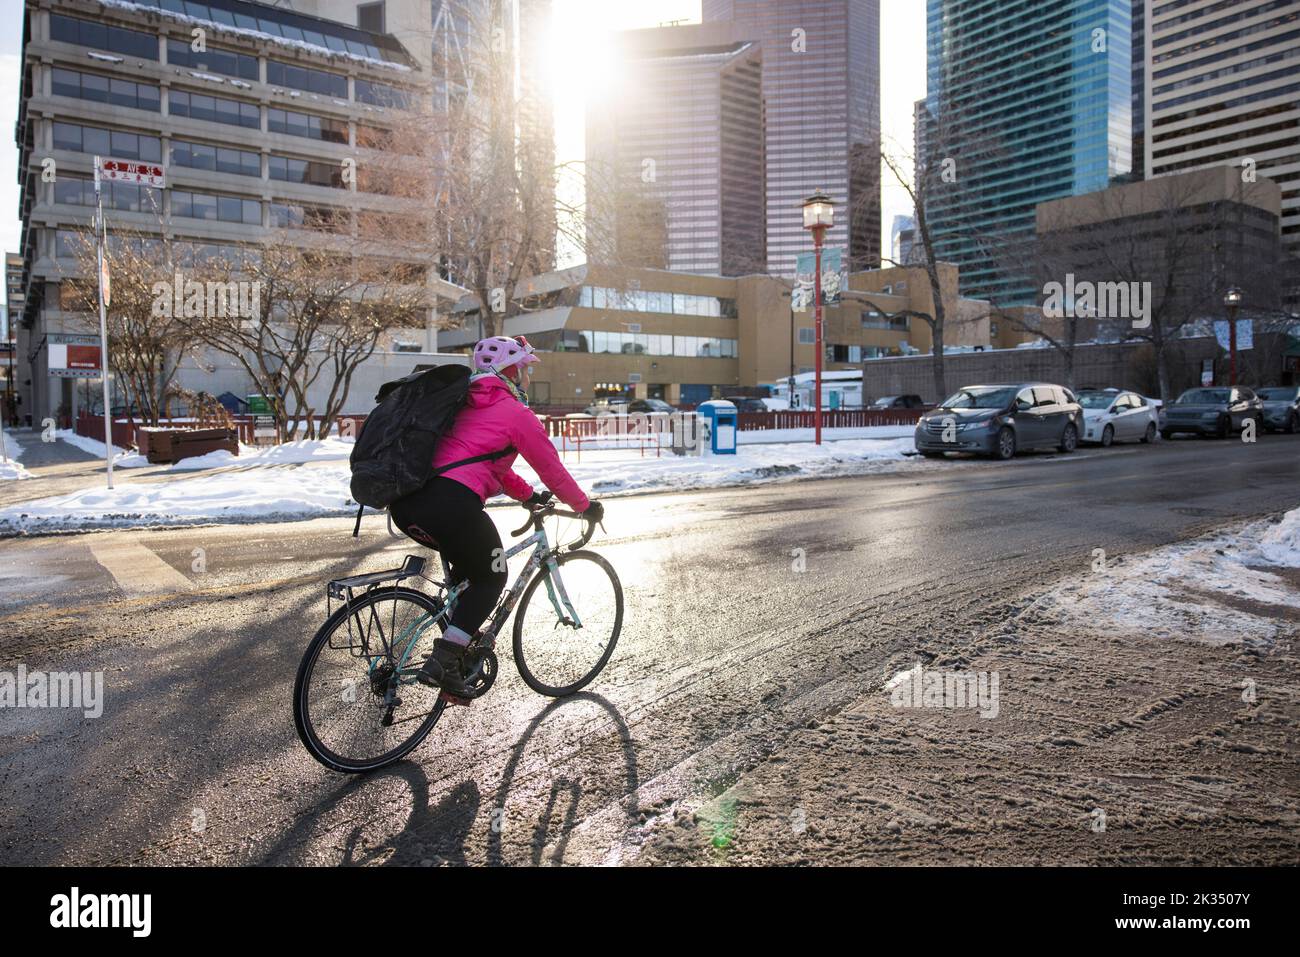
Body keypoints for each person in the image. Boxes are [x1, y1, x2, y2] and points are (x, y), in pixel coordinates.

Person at [389, 334, 604, 698]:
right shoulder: (515, 413)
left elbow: (490, 467)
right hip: (450, 505)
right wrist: (584, 507)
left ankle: (454, 670)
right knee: (492, 578)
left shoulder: (461, 403)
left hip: (407, 503)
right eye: (524, 370)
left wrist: (528, 495)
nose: (528, 378)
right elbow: (552, 470)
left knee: (468, 585)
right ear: (510, 370)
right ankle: (443, 661)